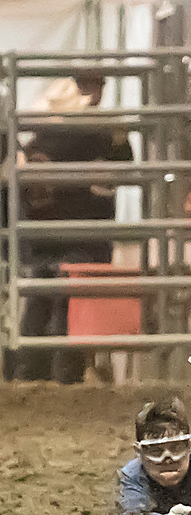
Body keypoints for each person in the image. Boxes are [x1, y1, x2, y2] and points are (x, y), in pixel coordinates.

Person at [13, 70, 133, 383]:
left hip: (46, 233)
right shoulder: (99, 133)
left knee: (41, 302)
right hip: (84, 231)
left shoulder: (37, 137)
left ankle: (31, 376)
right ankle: (64, 377)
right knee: (69, 307)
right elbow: (126, 168)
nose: (94, 92)